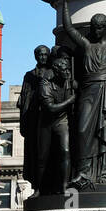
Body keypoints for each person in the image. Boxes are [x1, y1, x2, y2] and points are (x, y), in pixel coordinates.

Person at [56, 0, 106, 187]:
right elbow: (69, 28)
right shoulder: (87, 45)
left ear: (105, 28)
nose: (95, 30)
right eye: (92, 27)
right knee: (82, 130)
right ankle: (84, 172)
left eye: (98, 27)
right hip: (88, 91)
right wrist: (65, 2)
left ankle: (105, 174)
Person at [37, 56, 75, 194]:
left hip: (62, 120)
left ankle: (64, 186)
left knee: (65, 151)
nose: (67, 72)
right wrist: (70, 101)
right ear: (56, 71)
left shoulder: (70, 81)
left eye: (68, 69)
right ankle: (40, 189)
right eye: (64, 70)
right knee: (43, 157)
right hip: (47, 123)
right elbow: (51, 108)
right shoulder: (45, 85)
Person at [17, 45, 52, 195]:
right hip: (34, 118)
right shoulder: (29, 75)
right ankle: (37, 186)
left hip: (49, 118)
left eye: (45, 54)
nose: (42, 57)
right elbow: (24, 98)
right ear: (35, 56)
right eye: (40, 55)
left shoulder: (53, 73)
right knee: (34, 153)